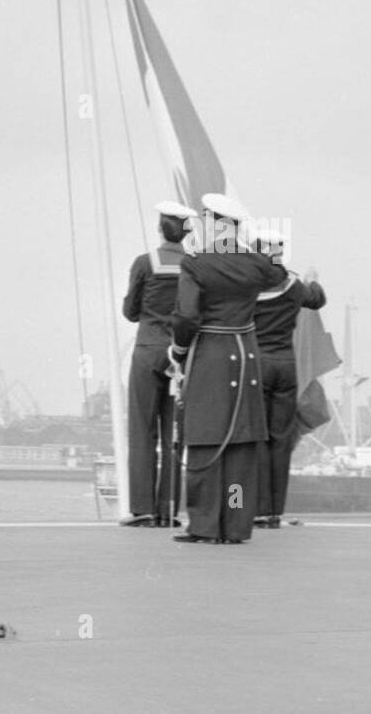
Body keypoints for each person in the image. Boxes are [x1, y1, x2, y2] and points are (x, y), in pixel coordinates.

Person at [169, 194, 283, 545]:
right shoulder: (256, 263)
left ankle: (204, 525)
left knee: (205, 440)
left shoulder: (196, 263)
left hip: (211, 353)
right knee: (240, 448)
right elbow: (278, 275)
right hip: (246, 352)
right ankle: (235, 525)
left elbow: (186, 316)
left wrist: (178, 349)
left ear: (215, 223)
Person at [120, 200, 194, 527]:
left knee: (142, 430)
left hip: (147, 349)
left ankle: (143, 508)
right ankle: (168, 510)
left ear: (159, 229)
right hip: (179, 355)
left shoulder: (143, 263)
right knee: (172, 433)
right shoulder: (194, 267)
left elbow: (130, 311)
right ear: (186, 233)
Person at [251, 231, 326, 528]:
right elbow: (317, 299)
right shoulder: (295, 287)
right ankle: (273, 512)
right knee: (281, 439)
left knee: (256, 435)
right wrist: (312, 278)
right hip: (285, 366)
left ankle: (251, 507)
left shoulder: (248, 287)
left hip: (255, 365)